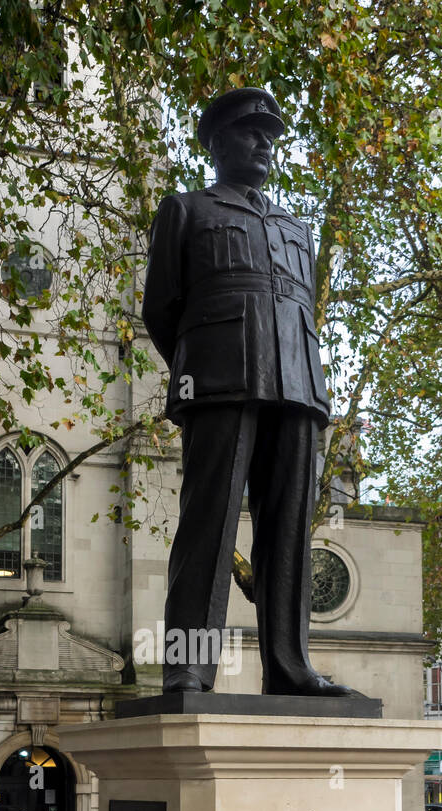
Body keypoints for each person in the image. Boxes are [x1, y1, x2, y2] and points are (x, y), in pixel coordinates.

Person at [142, 87, 353, 696]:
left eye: (270, 136)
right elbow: (162, 310)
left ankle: (290, 666)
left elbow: (303, 309)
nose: (263, 144)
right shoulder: (186, 211)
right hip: (219, 384)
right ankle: (189, 665)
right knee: (207, 526)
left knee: (287, 531)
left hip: (297, 390)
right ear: (216, 143)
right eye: (249, 132)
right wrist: (200, 369)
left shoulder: (296, 229)